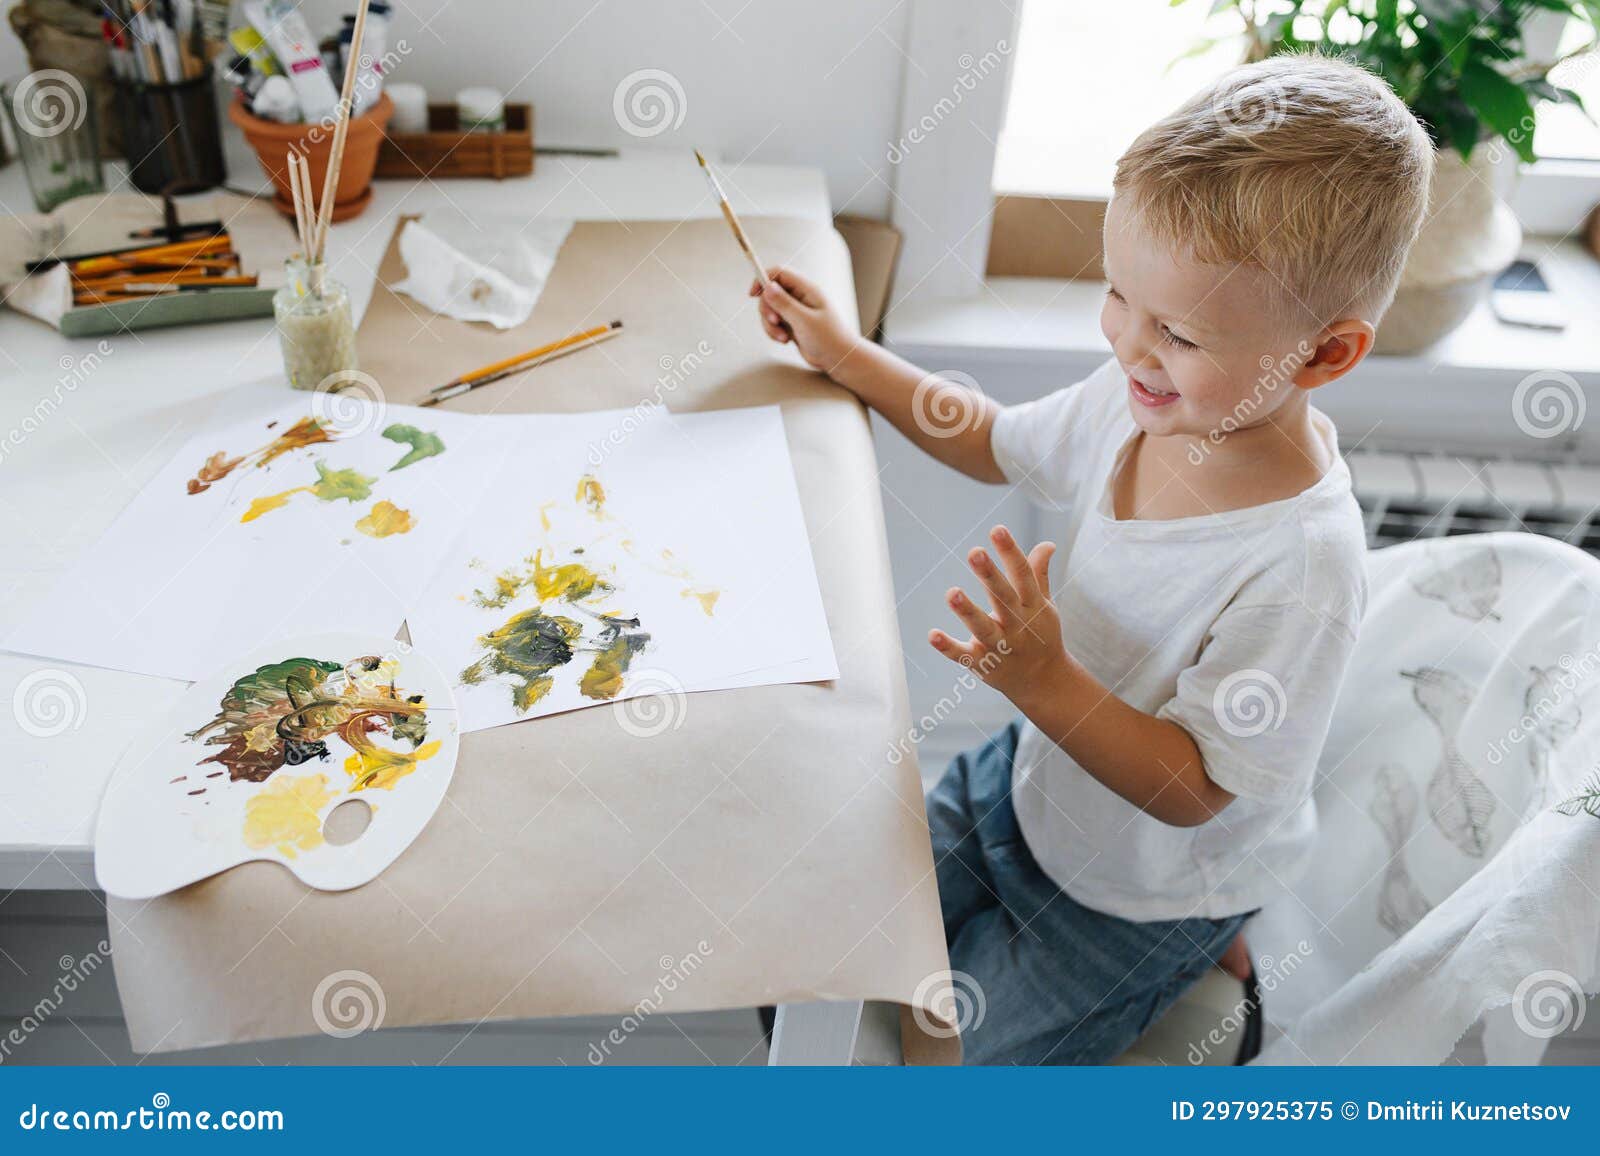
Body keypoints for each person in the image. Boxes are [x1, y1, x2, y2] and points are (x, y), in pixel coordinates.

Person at [751, 54, 1433, 1063]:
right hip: (1025, 790)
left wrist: (1043, 678)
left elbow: (1197, 789)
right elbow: (987, 438)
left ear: (1325, 355)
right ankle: (1218, 922)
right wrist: (846, 355)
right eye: (1118, 297)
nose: (1126, 345)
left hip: (1136, 898)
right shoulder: (1148, 395)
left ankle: (1211, 935)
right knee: (802, 962)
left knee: (968, 1073)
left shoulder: (1300, 565)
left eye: (1178, 332)